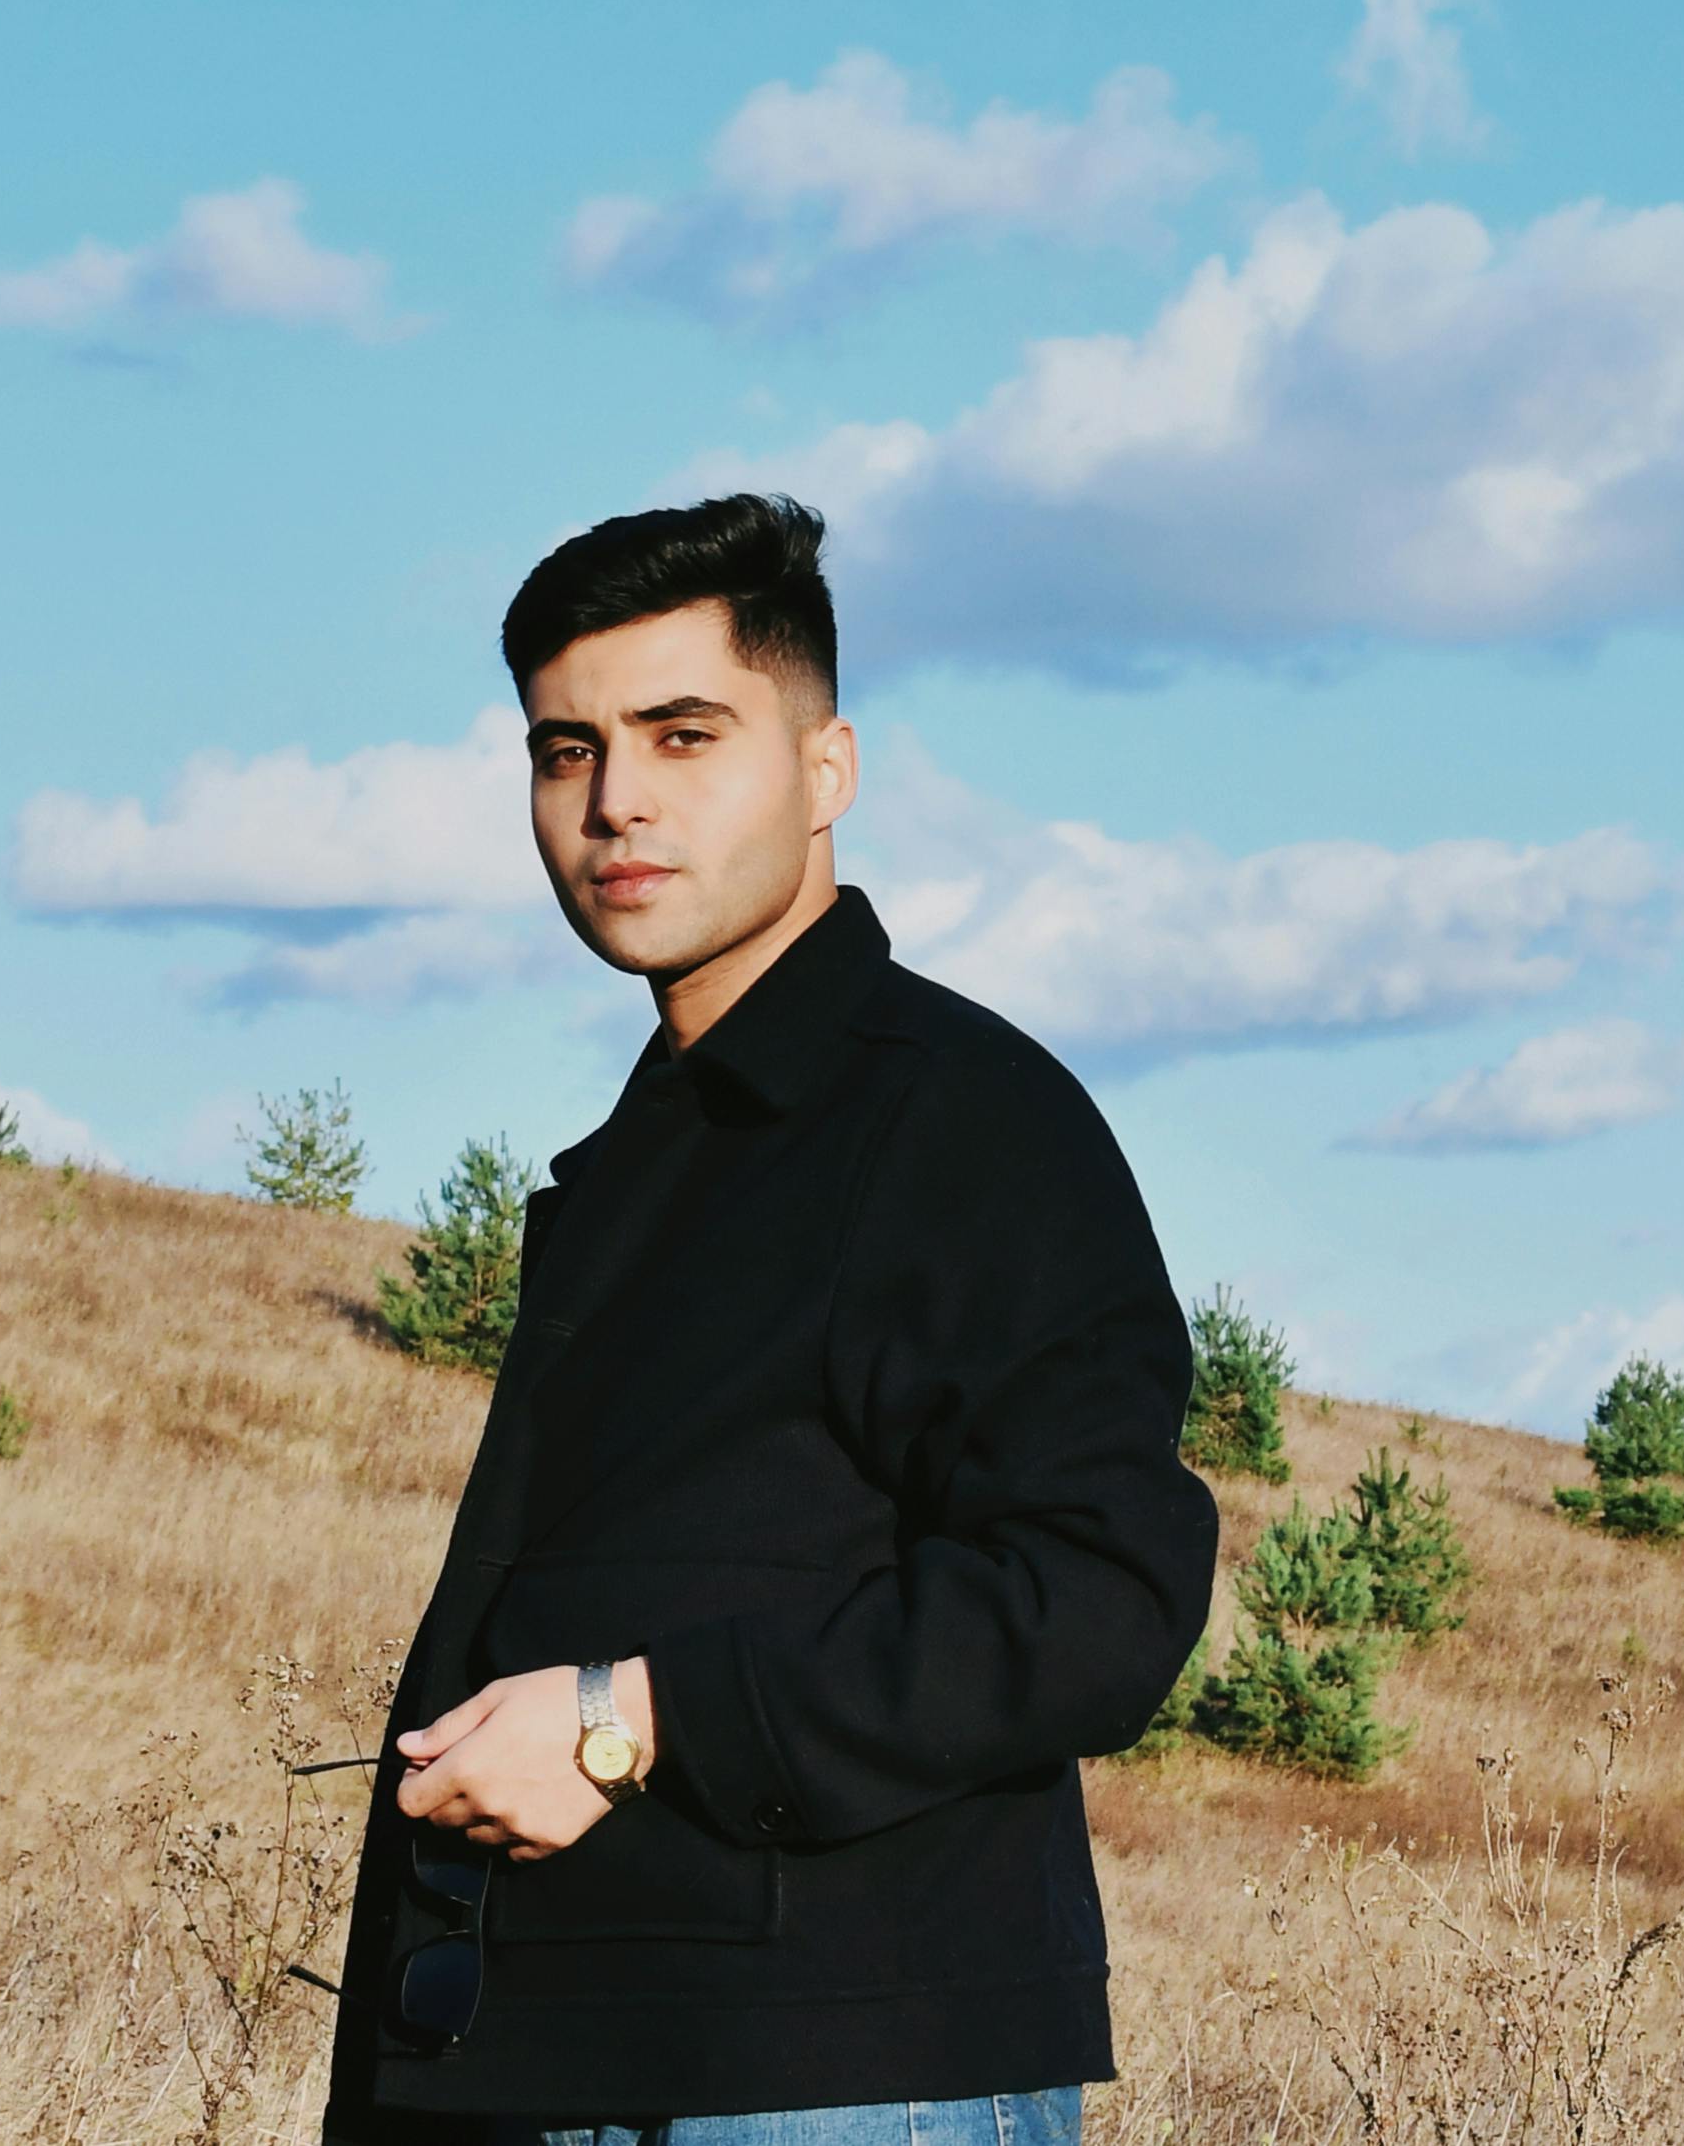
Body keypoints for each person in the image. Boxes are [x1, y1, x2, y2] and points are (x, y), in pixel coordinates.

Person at [321, 493, 1217, 2146]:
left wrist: (626, 1720)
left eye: (682, 734)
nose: (615, 802)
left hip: (826, 2089)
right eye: (563, 749)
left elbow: (1104, 1590)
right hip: (563, 2068)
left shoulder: (958, 1122)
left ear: (826, 771)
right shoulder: (661, 1153)